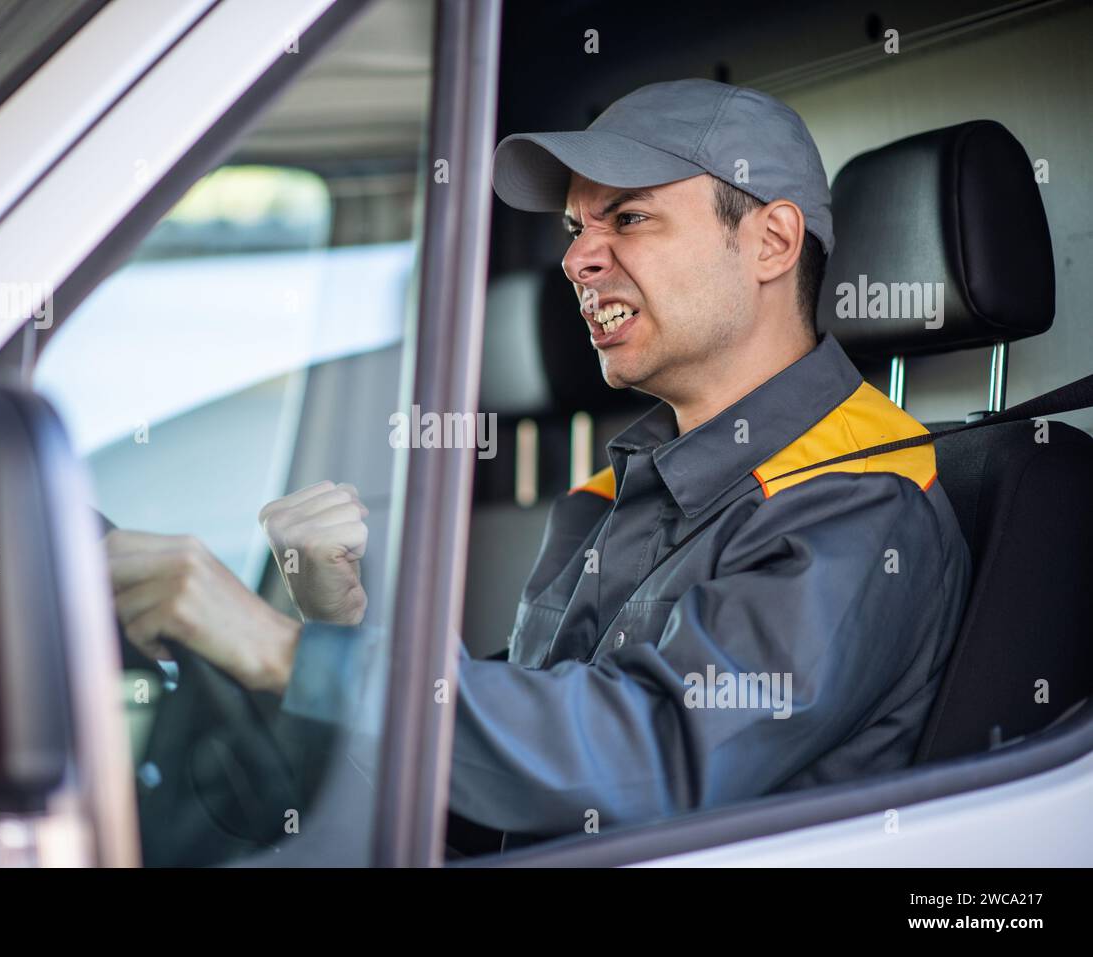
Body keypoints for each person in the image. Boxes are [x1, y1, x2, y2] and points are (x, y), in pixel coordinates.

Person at [104, 79, 972, 840]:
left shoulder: (860, 502)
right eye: (575, 227)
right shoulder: (622, 490)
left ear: (772, 244)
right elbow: (508, 774)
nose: (577, 257)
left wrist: (285, 653)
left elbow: (645, 758)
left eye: (628, 217)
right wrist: (337, 625)